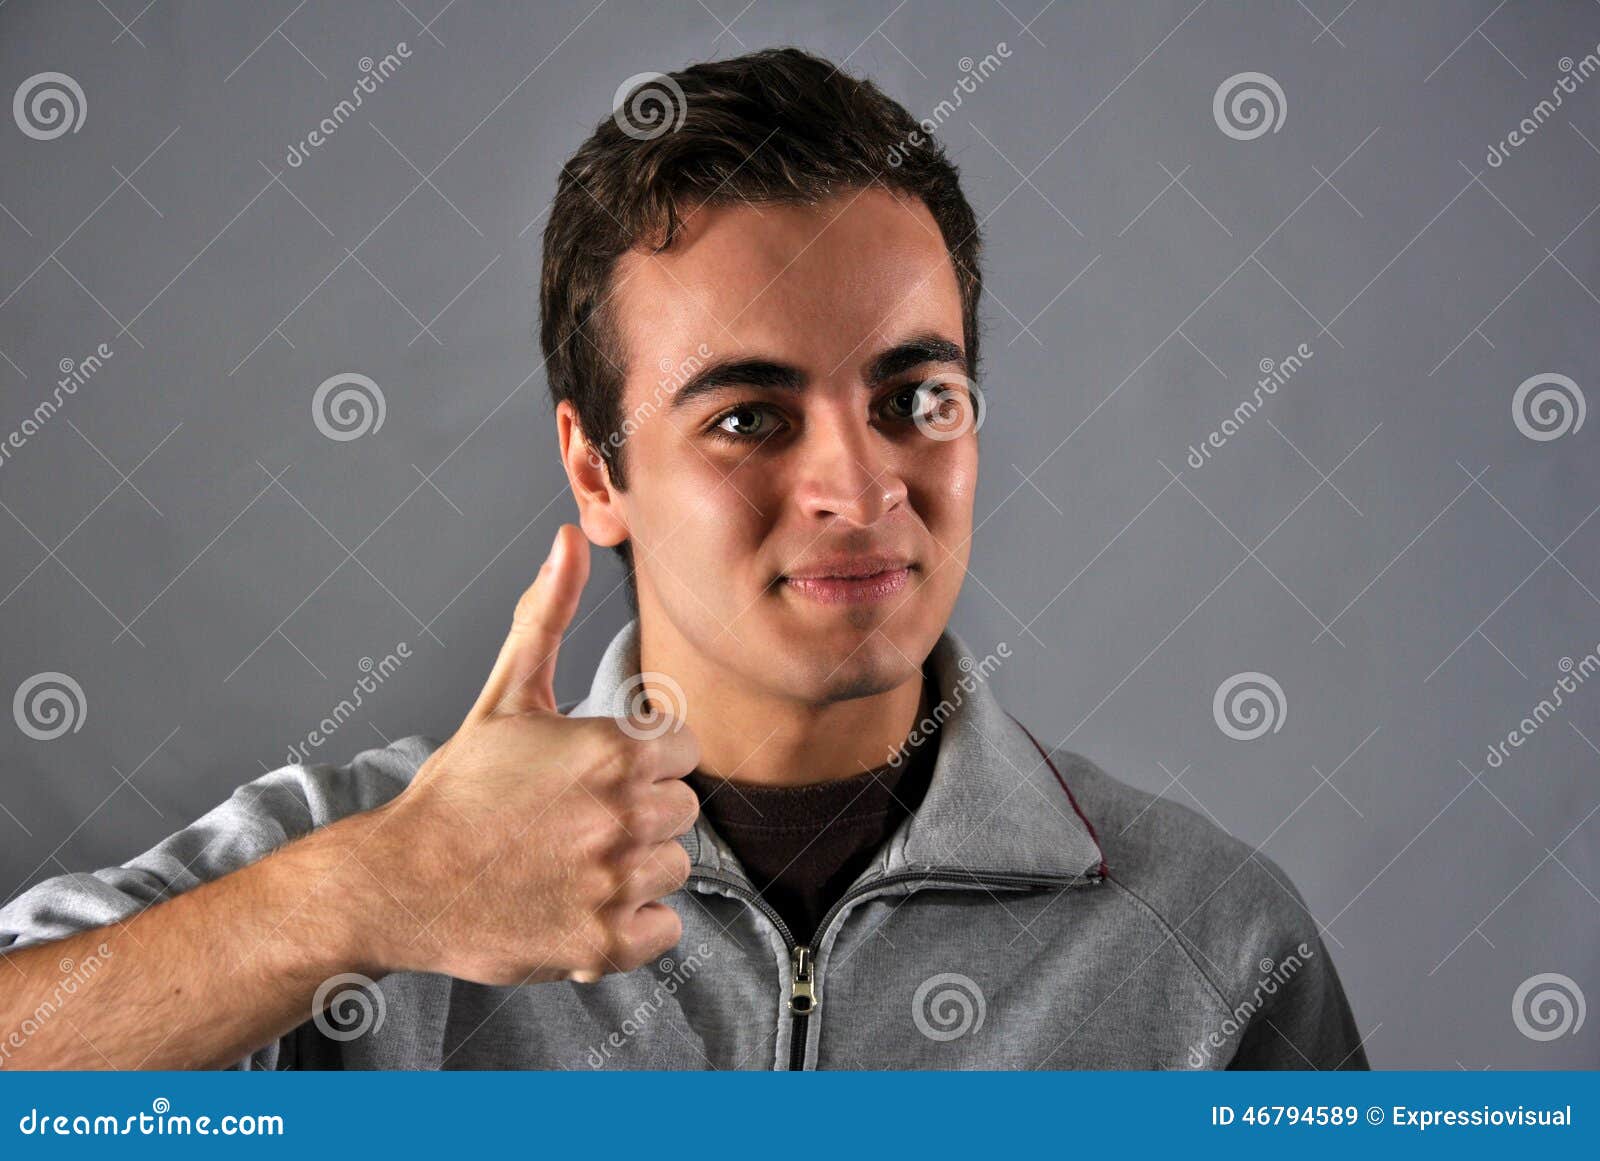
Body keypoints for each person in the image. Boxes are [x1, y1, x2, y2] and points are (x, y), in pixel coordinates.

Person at [0, 47, 1367, 1071]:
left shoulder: (1216, 943)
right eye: (750, 417)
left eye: (915, 398)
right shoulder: (364, 865)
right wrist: (360, 896)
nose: (857, 482)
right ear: (599, 469)